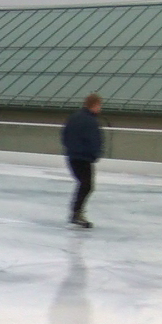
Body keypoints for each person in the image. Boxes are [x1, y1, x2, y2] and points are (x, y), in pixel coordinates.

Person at [61, 93, 104, 229]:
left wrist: (70, 149)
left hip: (73, 156)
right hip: (83, 158)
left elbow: (64, 135)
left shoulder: (74, 118)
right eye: (99, 105)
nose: (100, 109)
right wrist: (94, 154)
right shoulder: (90, 121)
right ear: (94, 105)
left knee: (85, 184)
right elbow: (94, 140)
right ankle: (76, 213)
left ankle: (76, 212)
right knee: (86, 185)